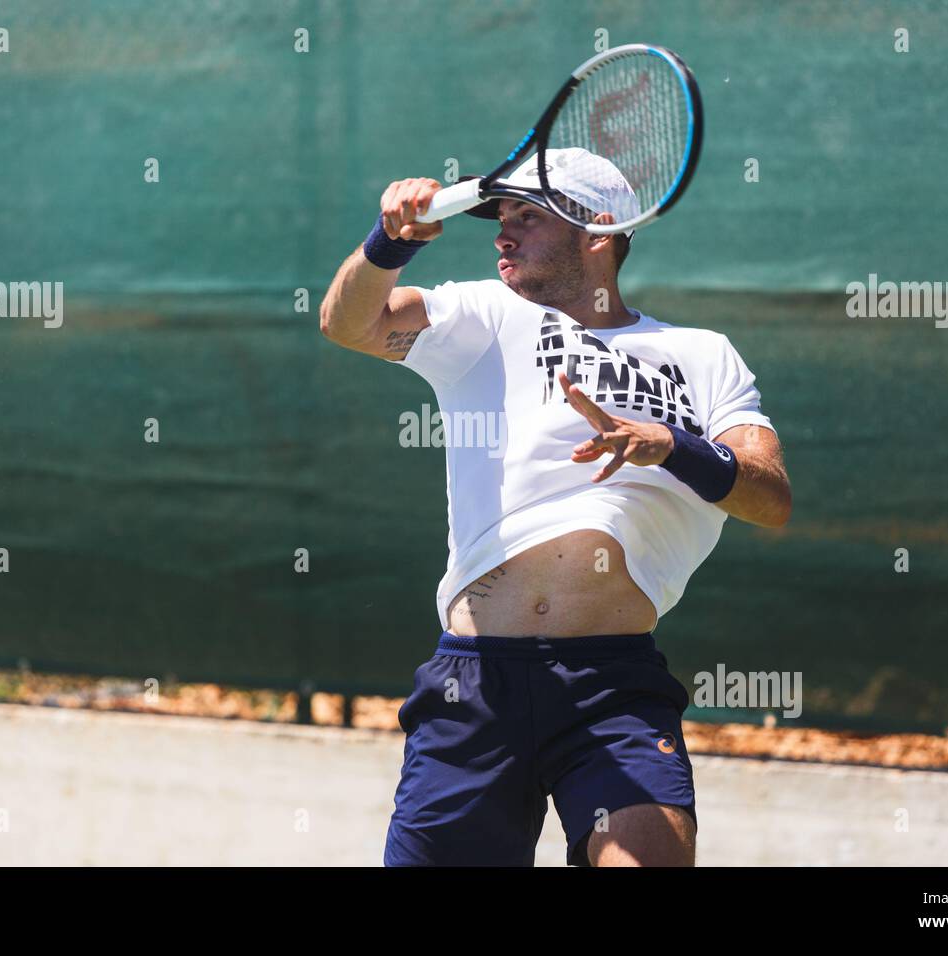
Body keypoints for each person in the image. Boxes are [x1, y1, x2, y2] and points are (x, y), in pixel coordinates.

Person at [319, 148, 792, 866]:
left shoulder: (701, 355)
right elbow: (346, 324)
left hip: (613, 689)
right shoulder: (481, 315)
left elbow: (771, 497)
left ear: (598, 233)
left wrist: (670, 445)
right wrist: (390, 243)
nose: (503, 234)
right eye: (500, 218)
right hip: (474, 684)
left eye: (528, 218)